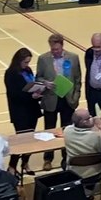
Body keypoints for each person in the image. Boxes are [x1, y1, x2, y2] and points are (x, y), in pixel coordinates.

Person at [36, 33, 81, 168]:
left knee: (67, 130)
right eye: (52, 49)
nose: (54, 52)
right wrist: (45, 83)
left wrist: (76, 97)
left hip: (68, 99)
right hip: (51, 98)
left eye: (57, 49)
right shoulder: (43, 59)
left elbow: (78, 79)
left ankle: (66, 158)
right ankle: (48, 159)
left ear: (62, 45)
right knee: (49, 130)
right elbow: (38, 77)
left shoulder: (73, 58)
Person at [4, 47, 41, 172]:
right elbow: (14, 94)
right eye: (25, 62)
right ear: (18, 60)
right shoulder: (10, 74)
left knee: (30, 139)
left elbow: (33, 84)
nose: (27, 65)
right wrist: (31, 96)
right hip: (20, 112)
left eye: (28, 62)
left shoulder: (28, 70)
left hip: (32, 109)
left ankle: (25, 163)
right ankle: (12, 166)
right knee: (21, 140)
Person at [63, 108, 101, 196]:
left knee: (63, 162)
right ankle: (88, 191)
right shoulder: (97, 136)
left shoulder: (67, 131)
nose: (92, 117)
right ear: (84, 122)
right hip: (95, 173)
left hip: (73, 172)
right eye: (89, 117)